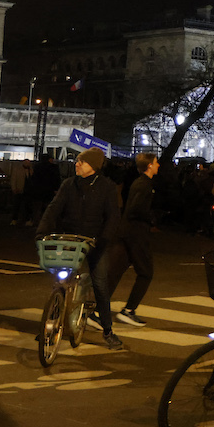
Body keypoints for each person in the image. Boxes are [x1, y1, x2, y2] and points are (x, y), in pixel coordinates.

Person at [35, 147, 123, 350]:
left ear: (92, 166)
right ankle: (50, 322)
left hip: (95, 242)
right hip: (70, 240)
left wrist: (104, 240)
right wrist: (41, 232)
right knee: (59, 282)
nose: (77, 164)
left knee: (100, 285)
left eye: (81, 162)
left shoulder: (106, 187)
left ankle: (107, 330)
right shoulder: (69, 184)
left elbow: (112, 217)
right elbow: (53, 209)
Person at [107, 152, 159, 327]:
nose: (158, 165)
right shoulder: (144, 184)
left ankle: (98, 311)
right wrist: (151, 218)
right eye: (156, 162)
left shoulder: (139, 182)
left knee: (115, 272)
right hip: (136, 234)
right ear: (150, 165)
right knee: (146, 273)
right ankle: (129, 310)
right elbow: (136, 208)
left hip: (126, 231)